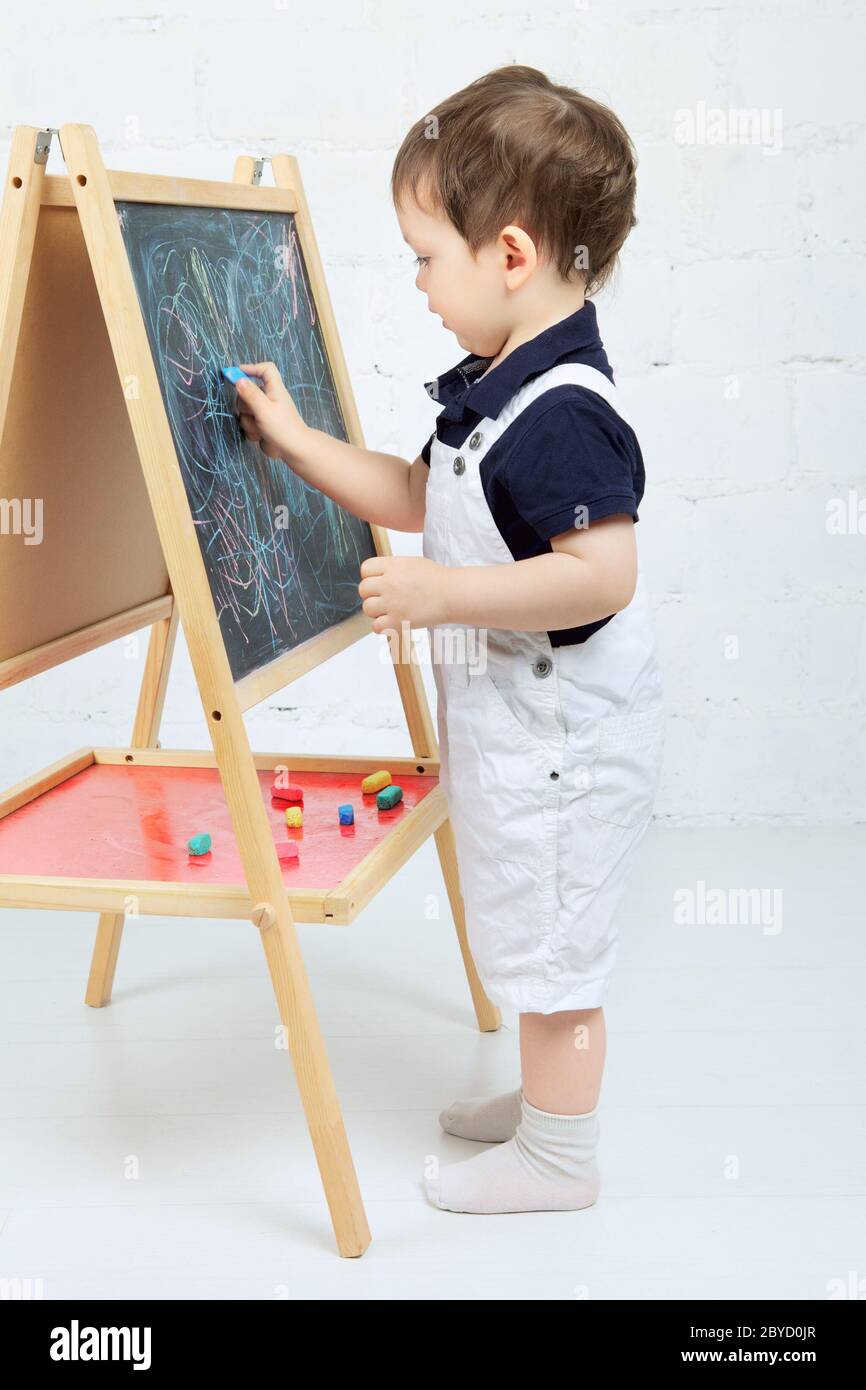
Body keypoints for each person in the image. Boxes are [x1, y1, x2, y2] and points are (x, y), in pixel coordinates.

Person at [231, 64, 665, 1216]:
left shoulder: (565, 408)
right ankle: (540, 1105)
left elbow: (601, 571)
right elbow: (416, 494)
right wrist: (292, 440)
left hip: (564, 742)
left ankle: (558, 1158)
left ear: (510, 256)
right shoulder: (496, 389)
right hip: (522, 734)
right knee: (526, 915)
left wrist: (440, 594)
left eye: (426, 256)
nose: (417, 281)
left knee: (556, 950)